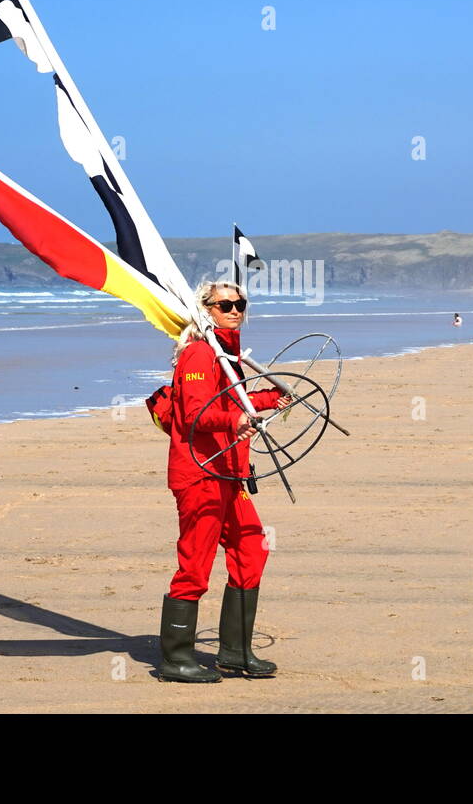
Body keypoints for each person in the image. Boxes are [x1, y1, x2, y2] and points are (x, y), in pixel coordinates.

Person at [158, 280, 291, 683]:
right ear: (206, 310)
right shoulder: (200, 353)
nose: (235, 310)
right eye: (225, 304)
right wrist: (238, 420)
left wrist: (269, 399)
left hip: (229, 474)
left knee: (253, 546)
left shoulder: (227, 353)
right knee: (195, 566)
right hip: (199, 475)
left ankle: (235, 652)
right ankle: (175, 658)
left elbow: (233, 400)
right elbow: (198, 413)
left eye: (240, 303)